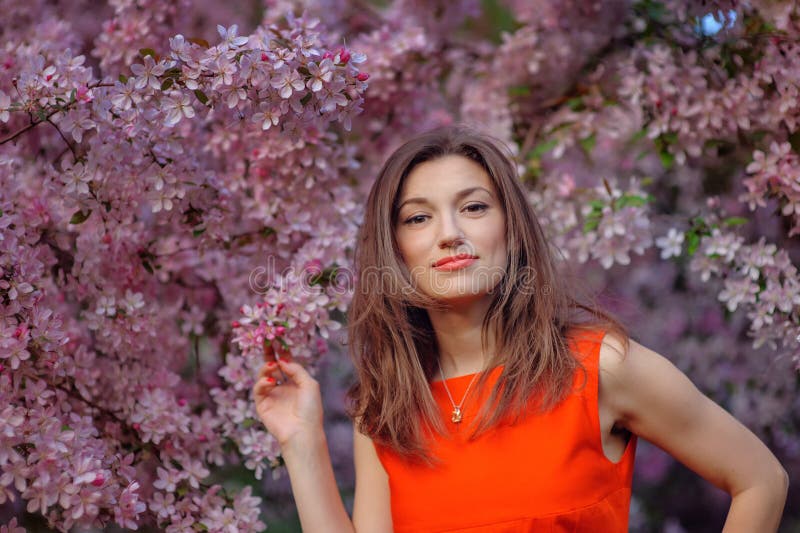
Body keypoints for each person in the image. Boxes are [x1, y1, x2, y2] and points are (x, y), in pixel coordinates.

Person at [253, 126, 789, 532]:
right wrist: (302, 442)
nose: (450, 233)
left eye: (474, 207)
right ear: (393, 251)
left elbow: (761, 480)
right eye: (418, 218)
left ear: (511, 230)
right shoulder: (387, 409)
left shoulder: (599, 367)